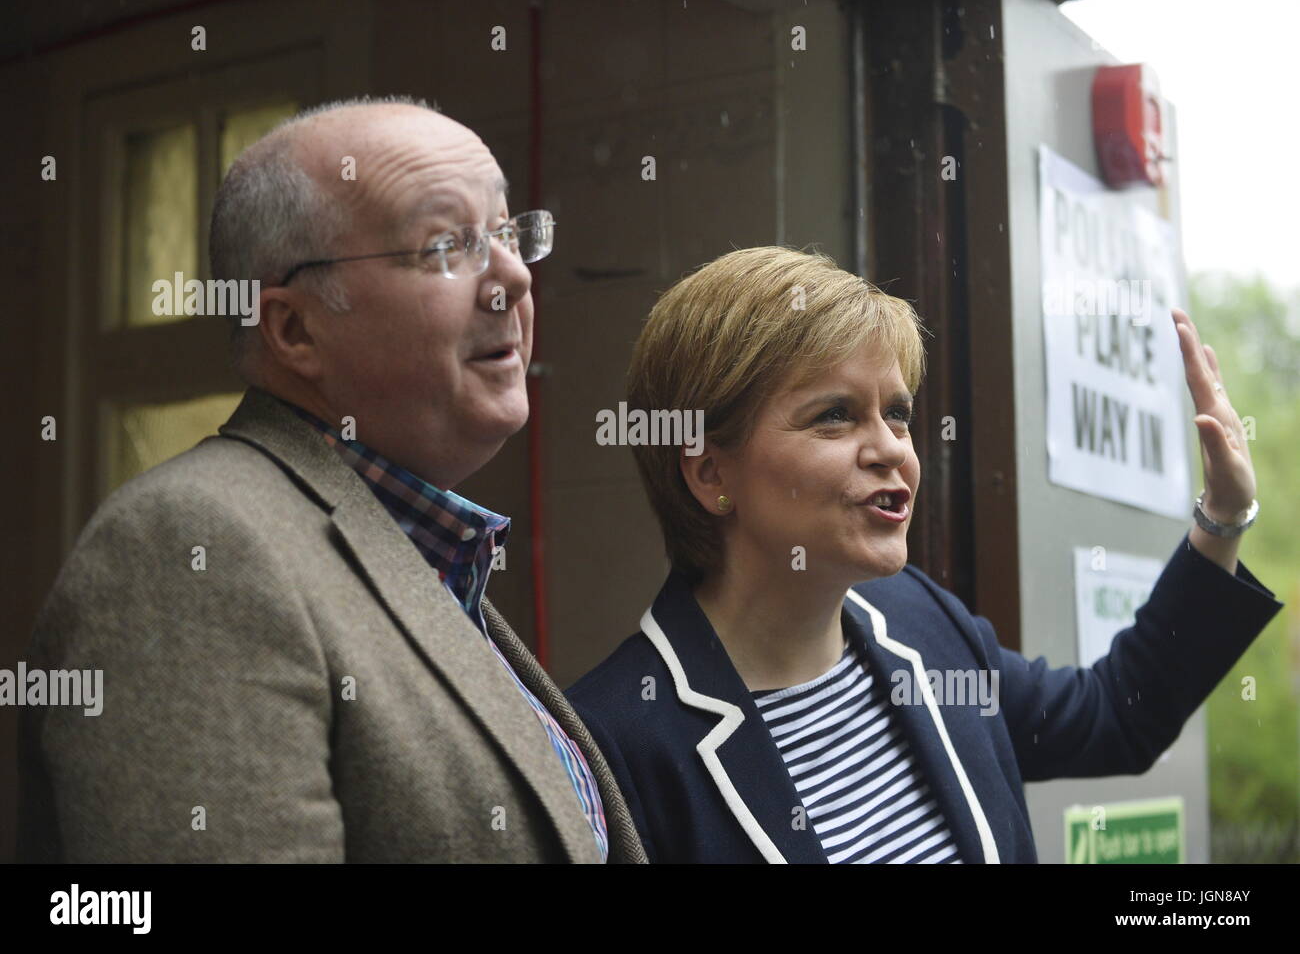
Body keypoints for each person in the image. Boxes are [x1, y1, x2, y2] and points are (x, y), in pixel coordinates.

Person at [19, 96, 646, 863]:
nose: (512, 278)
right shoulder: (190, 549)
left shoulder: (423, 547)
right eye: (448, 245)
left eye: (511, 235)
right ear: (294, 328)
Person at [565, 246, 1282, 864]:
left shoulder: (918, 620)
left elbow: (1115, 718)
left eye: (898, 413)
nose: (891, 450)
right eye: (836, 414)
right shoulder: (611, 743)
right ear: (709, 472)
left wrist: (1221, 517)